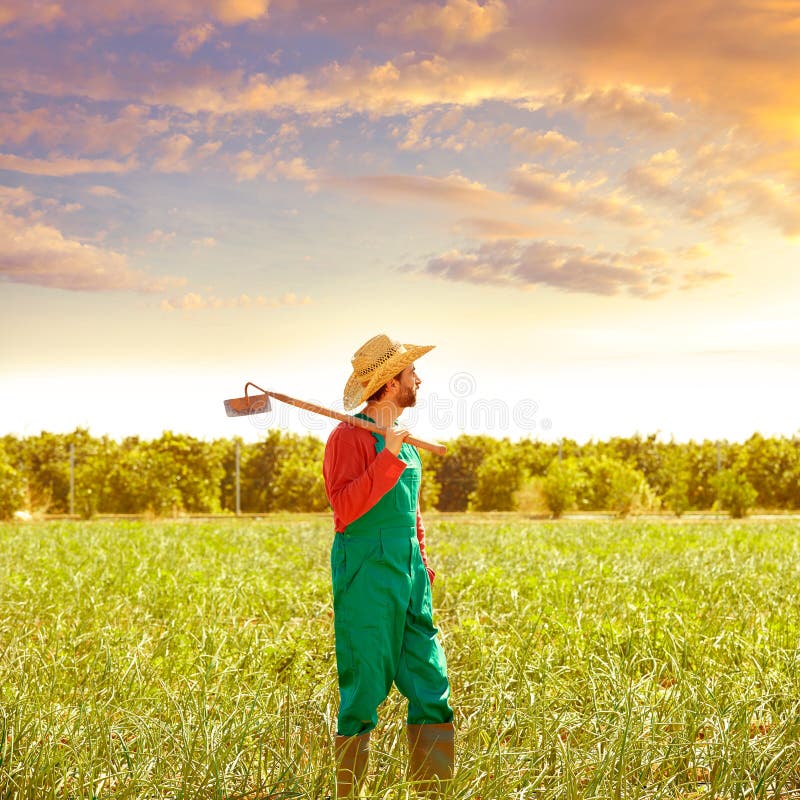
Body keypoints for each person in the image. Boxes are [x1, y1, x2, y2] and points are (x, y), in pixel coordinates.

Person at [323, 333, 454, 797]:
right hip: (367, 568)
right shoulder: (348, 437)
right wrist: (388, 456)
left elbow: (411, 507)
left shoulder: (405, 441)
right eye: (410, 372)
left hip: (409, 571)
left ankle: (431, 791)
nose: (418, 377)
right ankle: (349, 791)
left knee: (431, 680)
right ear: (388, 385)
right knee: (364, 687)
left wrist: (421, 557)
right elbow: (345, 508)